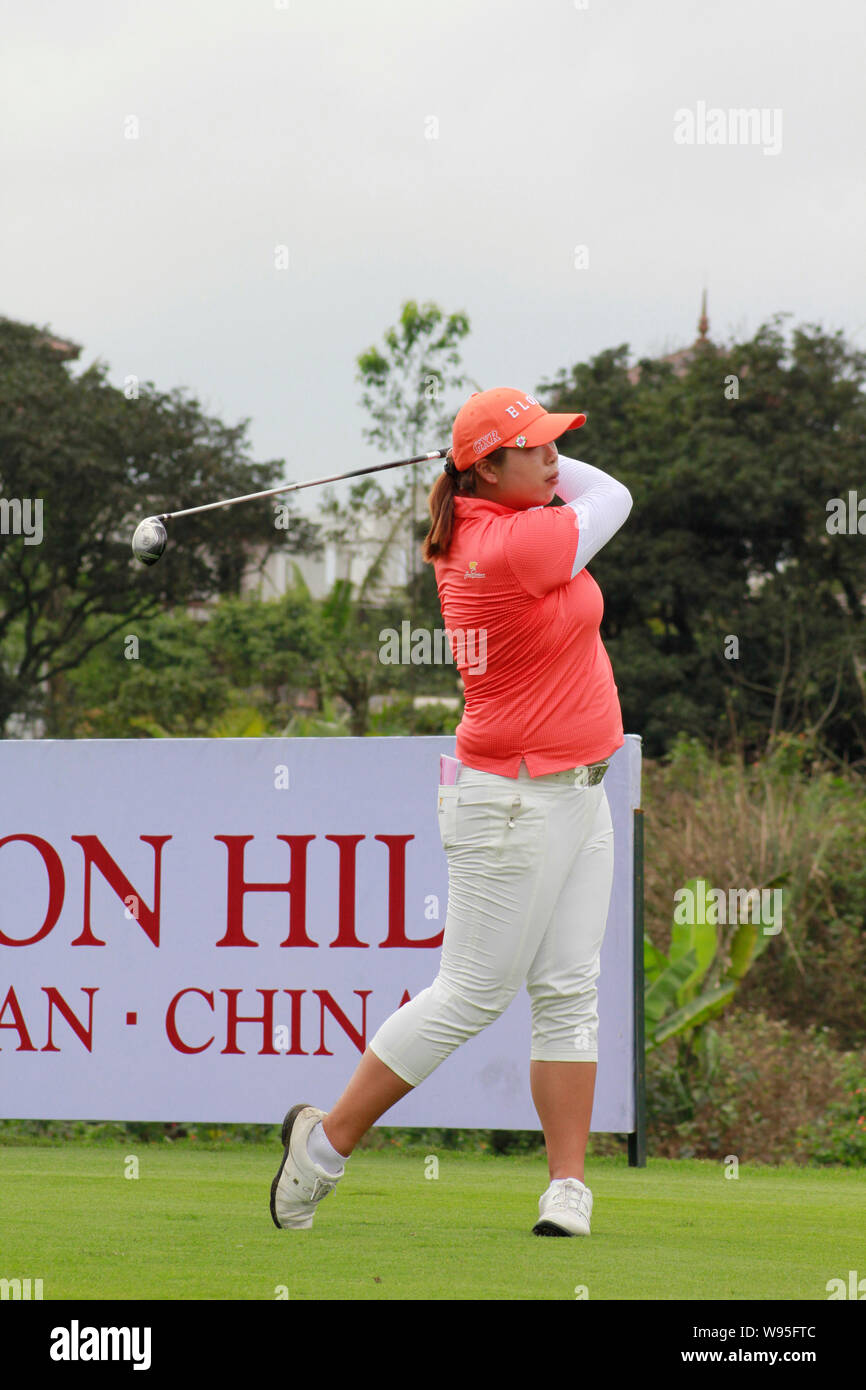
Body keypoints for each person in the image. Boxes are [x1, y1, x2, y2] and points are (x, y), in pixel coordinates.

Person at [270, 386, 633, 1237]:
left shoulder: (501, 520)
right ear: (488, 471)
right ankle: (323, 1145)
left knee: (568, 992)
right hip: (511, 800)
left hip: (581, 791)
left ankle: (566, 1189)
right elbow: (613, 494)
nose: (552, 459)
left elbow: (567, 485)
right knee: (471, 995)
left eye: (554, 444)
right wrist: (478, 464)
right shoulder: (510, 544)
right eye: (534, 447)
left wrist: (489, 457)